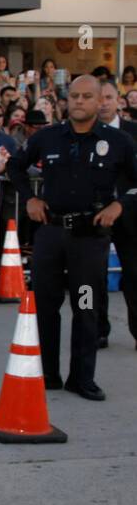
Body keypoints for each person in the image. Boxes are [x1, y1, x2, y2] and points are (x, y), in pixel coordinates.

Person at [5, 75, 137, 400]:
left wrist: (119, 205)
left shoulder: (118, 141)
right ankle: (48, 373)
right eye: (74, 95)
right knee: (46, 306)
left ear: (100, 101)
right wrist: (31, 199)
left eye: (86, 96)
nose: (78, 101)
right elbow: (15, 167)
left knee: (86, 306)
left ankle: (82, 378)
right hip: (51, 233)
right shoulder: (48, 138)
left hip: (89, 239)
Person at [94, 79, 137, 348]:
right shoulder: (83, 132)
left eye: (109, 97)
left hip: (130, 213)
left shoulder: (133, 132)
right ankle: (98, 329)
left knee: (134, 274)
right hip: (94, 214)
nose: (104, 103)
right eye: (99, 98)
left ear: (118, 100)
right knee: (94, 276)